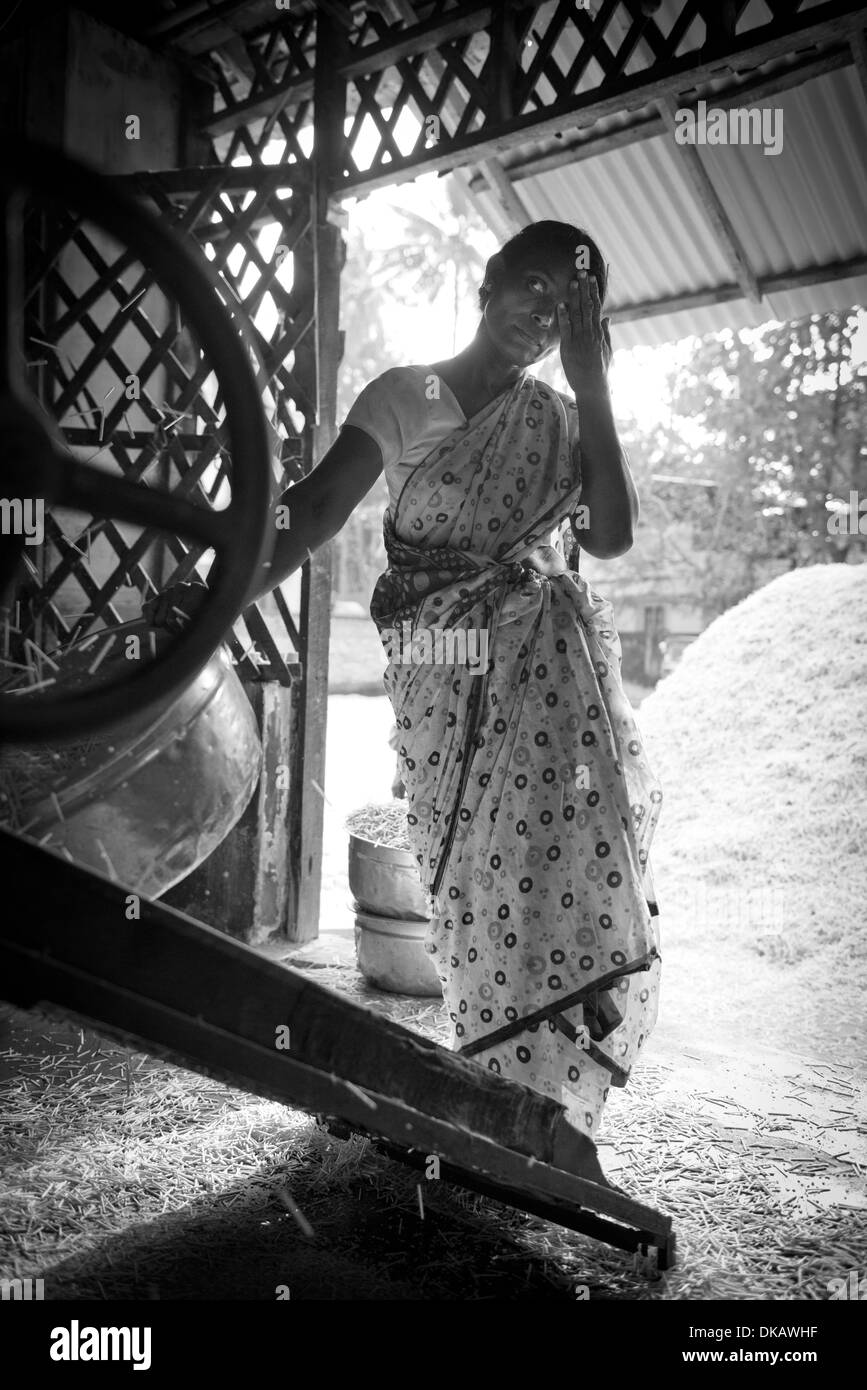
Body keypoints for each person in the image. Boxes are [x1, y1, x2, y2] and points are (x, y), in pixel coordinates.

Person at [150, 220, 662, 1184]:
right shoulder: (406, 394)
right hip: (441, 675)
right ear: (488, 281)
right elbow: (309, 514)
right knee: (476, 887)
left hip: (545, 685)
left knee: (556, 874)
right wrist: (207, 594)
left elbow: (611, 536)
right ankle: (491, 1099)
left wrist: (594, 385)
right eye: (531, 286)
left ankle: (545, 1114)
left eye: (566, 305)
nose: (541, 314)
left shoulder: (558, 416)